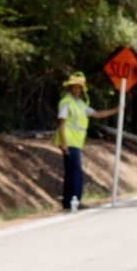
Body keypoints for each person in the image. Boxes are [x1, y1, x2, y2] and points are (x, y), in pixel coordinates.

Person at [54, 72, 121, 212]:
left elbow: (96, 114)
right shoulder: (67, 102)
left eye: (79, 87)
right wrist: (64, 144)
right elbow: (61, 123)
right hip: (69, 141)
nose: (76, 89)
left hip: (76, 142)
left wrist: (116, 110)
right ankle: (75, 201)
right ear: (70, 88)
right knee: (76, 172)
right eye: (74, 87)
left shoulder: (80, 104)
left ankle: (68, 203)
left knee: (71, 172)